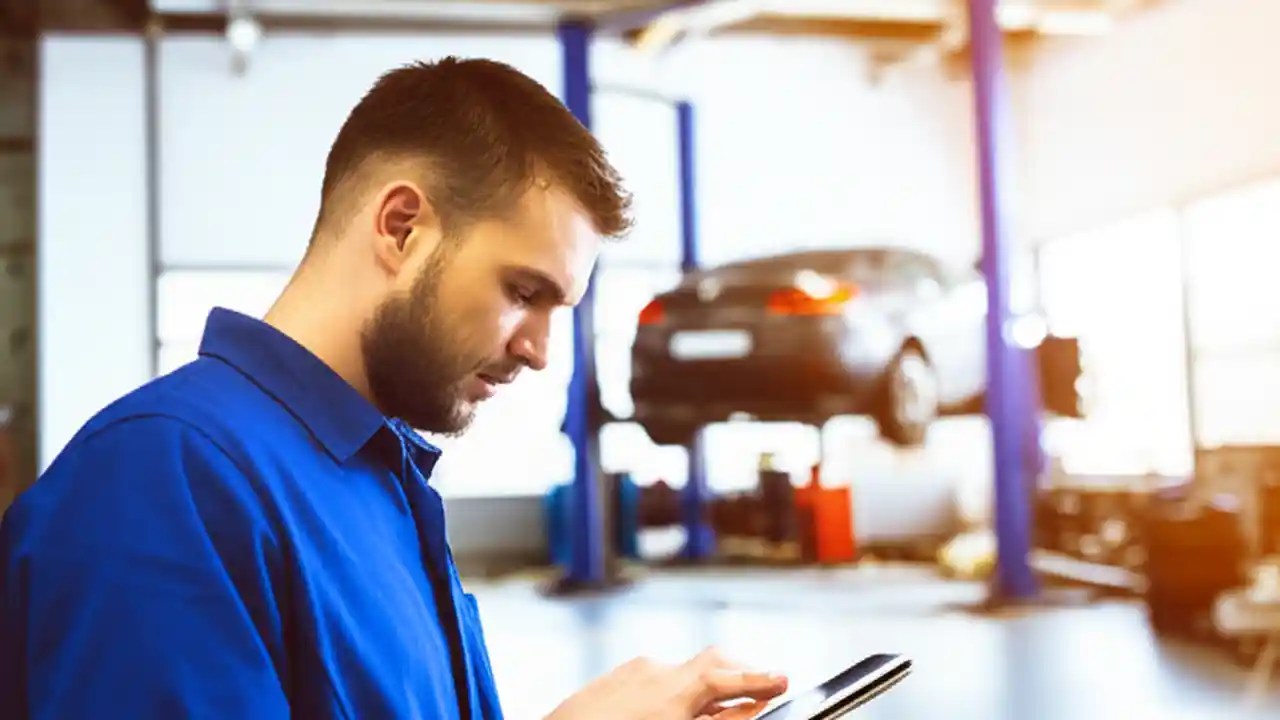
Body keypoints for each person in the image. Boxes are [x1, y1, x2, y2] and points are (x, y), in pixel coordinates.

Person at [0, 57, 788, 719]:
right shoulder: (163, 482)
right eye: (524, 292)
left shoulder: (382, 481)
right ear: (402, 226)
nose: (541, 351)